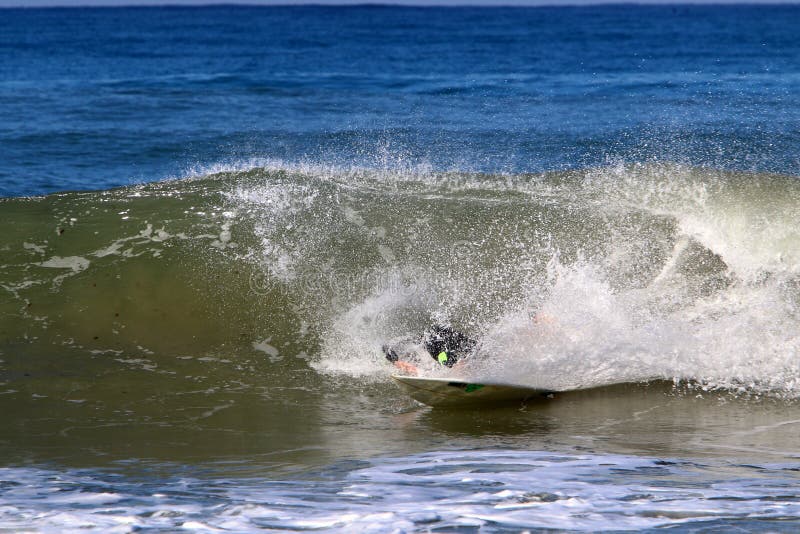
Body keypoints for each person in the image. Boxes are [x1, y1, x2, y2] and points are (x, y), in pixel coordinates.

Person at [382, 323, 477, 375]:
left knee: (451, 359)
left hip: (435, 337)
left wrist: (396, 362)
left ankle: (462, 376)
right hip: (439, 333)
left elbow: (387, 348)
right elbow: (386, 347)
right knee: (472, 349)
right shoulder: (416, 355)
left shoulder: (416, 348)